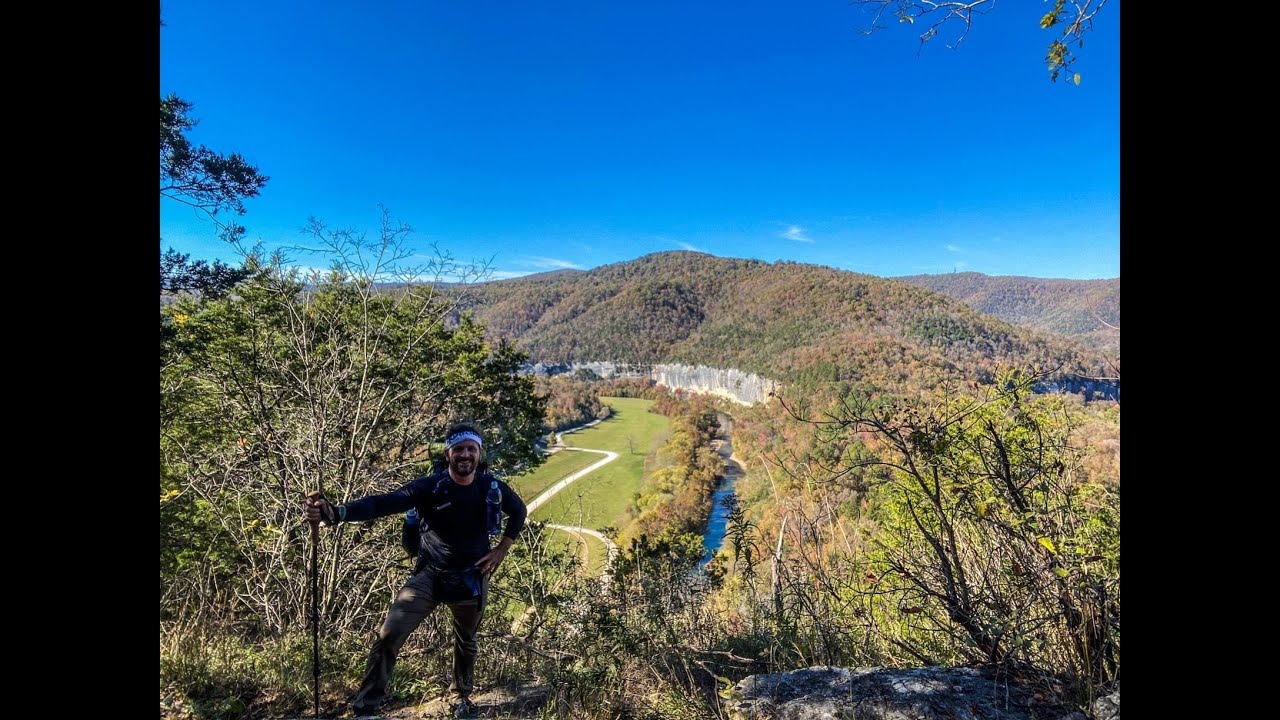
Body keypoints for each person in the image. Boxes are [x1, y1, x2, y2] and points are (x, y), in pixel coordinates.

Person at [305, 423, 527, 719]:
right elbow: (383, 504)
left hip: (471, 577)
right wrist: (336, 513)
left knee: (466, 643)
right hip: (429, 576)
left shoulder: (491, 487)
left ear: (479, 454)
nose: (465, 455)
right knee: (389, 635)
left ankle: (461, 698)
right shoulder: (429, 488)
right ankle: (366, 709)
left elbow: (519, 511)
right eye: (458, 449)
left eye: (471, 449)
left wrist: (501, 550)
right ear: (448, 453)